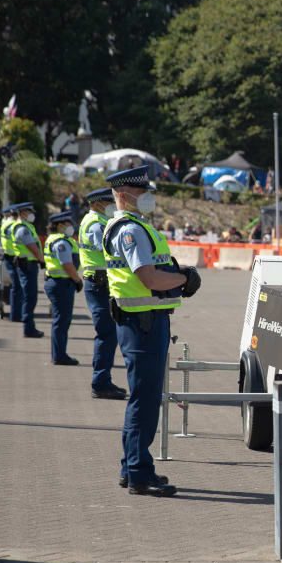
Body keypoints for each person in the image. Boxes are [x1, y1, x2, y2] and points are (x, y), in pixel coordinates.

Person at [102, 165, 201, 497]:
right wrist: (185, 279)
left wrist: (178, 277)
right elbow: (149, 278)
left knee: (143, 398)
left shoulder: (136, 226)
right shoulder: (129, 230)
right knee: (144, 400)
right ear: (123, 195)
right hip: (141, 323)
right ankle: (139, 474)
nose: (148, 199)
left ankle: (130, 466)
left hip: (144, 321)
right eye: (143, 194)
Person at [79, 188, 127, 399]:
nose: (112, 205)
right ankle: (100, 383)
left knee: (108, 335)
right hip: (99, 284)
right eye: (109, 202)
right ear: (98, 203)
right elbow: (108, 248)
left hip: (99, 283)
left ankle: (102, 380)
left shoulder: (92, 220)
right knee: (106, 335)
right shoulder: (95, 223)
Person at [43, 211, 83, 365]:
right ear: (59, 226)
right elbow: (67, 265)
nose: (71, 227)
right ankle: (59, 355)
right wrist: (77, 280)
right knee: (62, 321)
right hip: (61, 283)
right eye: (68, 224)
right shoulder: (61, 243)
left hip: (57, 282)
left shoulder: (54, 239)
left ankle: (59, 353)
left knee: (60, 320)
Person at [8, 202, 45, 338]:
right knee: (30, 297)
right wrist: (42, 260)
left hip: (28, 265)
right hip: (27, 266)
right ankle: (28, 327)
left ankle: (29, 326)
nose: (32, 215)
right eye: (30, 212)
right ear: (23, 213)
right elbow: (32, 247)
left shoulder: (25, 226)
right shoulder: (22, 229)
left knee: (29, 296)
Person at [0, 205, 23, 322]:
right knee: (18, 286)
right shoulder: (15, 226)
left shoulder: (5, 224)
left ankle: (15, 313)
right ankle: (16, 314)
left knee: (16, 286)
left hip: (8, 256)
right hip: (16, 257)